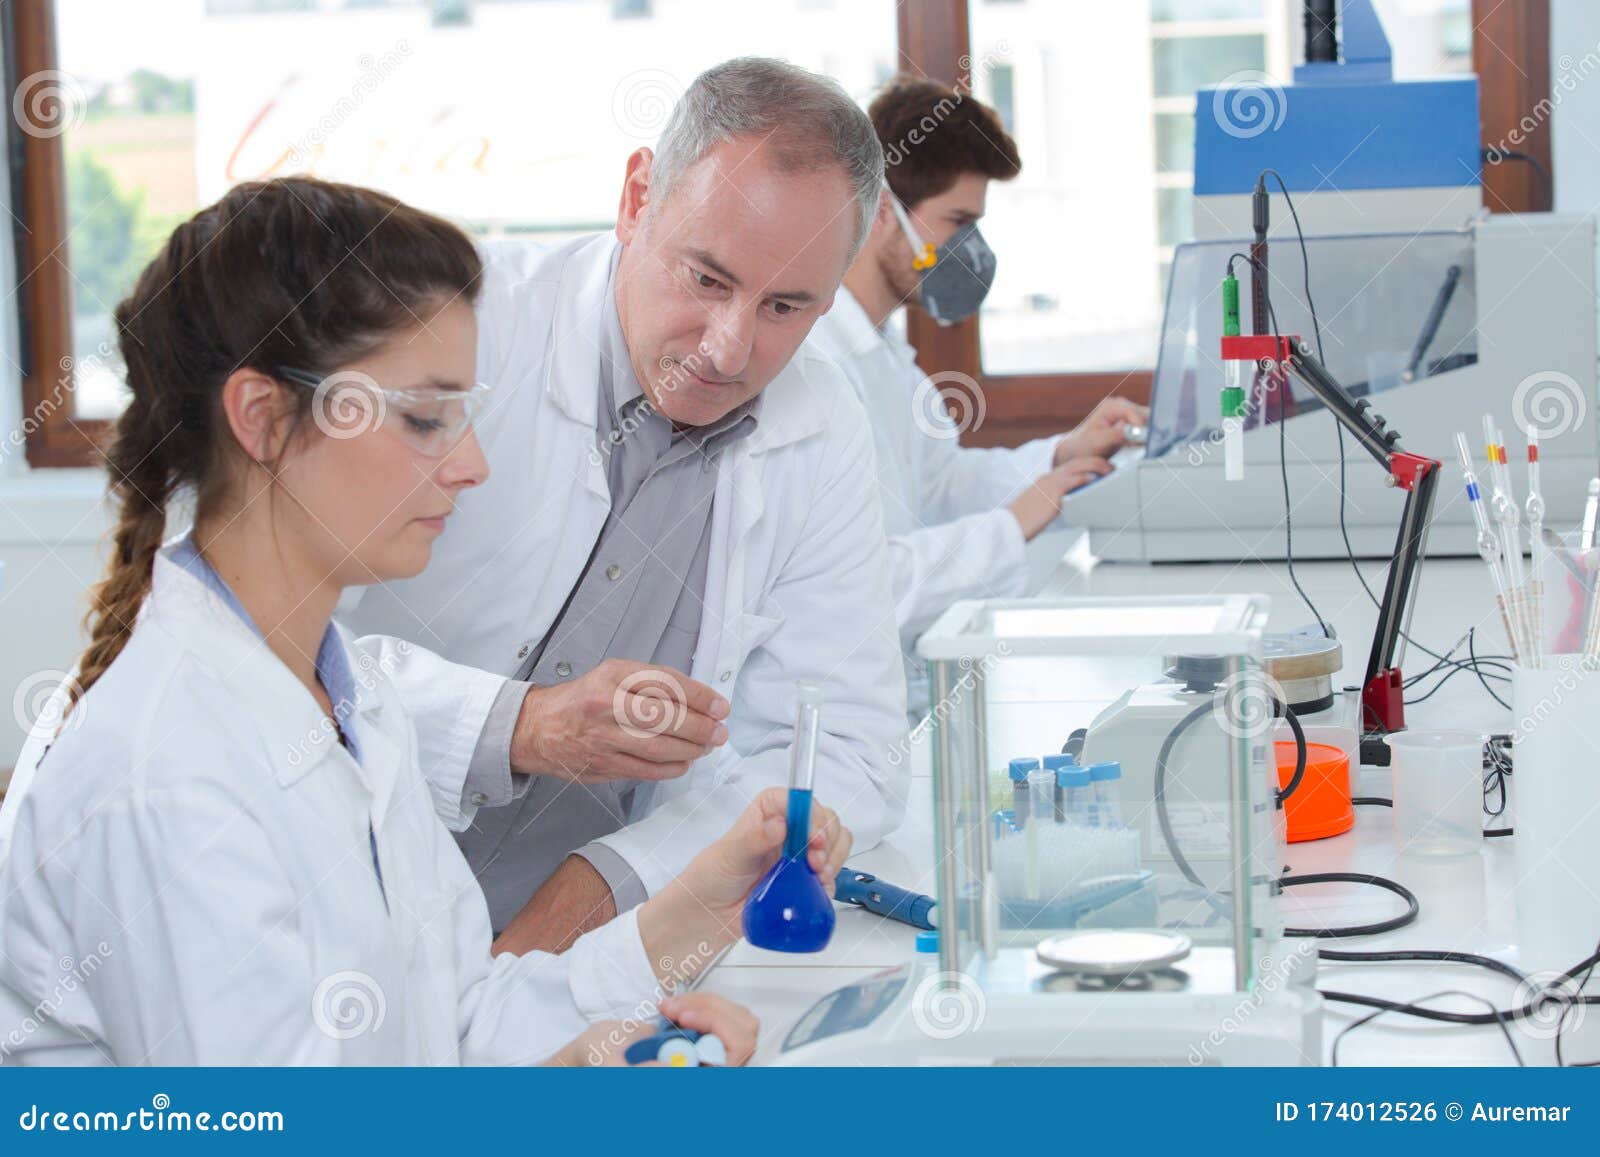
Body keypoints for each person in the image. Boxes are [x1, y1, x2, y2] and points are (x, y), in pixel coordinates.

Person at [0, 178, 849, 1066]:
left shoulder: (348, 697)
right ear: (262, 417)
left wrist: (708, 901)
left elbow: (461, 1016)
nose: (471, 463)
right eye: (422, 418)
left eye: (464, 414)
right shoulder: (167, 772)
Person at [343, 58, 906, 955]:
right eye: (707, 280)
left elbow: (847, 747)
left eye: (786, 307)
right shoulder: (447, 333)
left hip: (590, 952)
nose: (728, 348)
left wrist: (603, 883)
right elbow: (249, 660)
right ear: (637, 197)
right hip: (337, 915)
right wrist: (518, 726)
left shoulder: (822, 420)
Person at [807, 77, 1150, 712]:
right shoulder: (817, 363)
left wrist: (1059, 458)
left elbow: (942, 485)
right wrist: (1014, 523)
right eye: (958, 221)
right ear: (881, 210)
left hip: (900, 694)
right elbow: (862, 584)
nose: (972, 250)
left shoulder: (882, 350)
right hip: (833, 715)